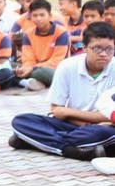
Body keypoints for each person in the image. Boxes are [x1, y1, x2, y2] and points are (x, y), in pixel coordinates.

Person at [9, 21, 115, 158]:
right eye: (97, 48)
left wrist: (68, 112)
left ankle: (36, 142)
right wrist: (83, 122)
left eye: (109, 49)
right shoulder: (67, 66)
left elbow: (111, 116)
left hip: (101, 129)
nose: (104, 54)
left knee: (103, 133)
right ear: (84, 48)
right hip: (72, 124)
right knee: (21, 121)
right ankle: (73, 149)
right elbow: (57, 110)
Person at [14, 0, 70, 90]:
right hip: (35, 68)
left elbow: (56, 61)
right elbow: (28, 59)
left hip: (54, 70)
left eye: (42, 15)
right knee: (11, 67)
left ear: (50, 16)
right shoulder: (28, 34)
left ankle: (23, 81)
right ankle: (31, 81)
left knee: (42, 72)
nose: (38, 18)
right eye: (35, 15)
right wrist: (27, 67)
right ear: (30, 17)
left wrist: (32, 68)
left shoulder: (61, 33)